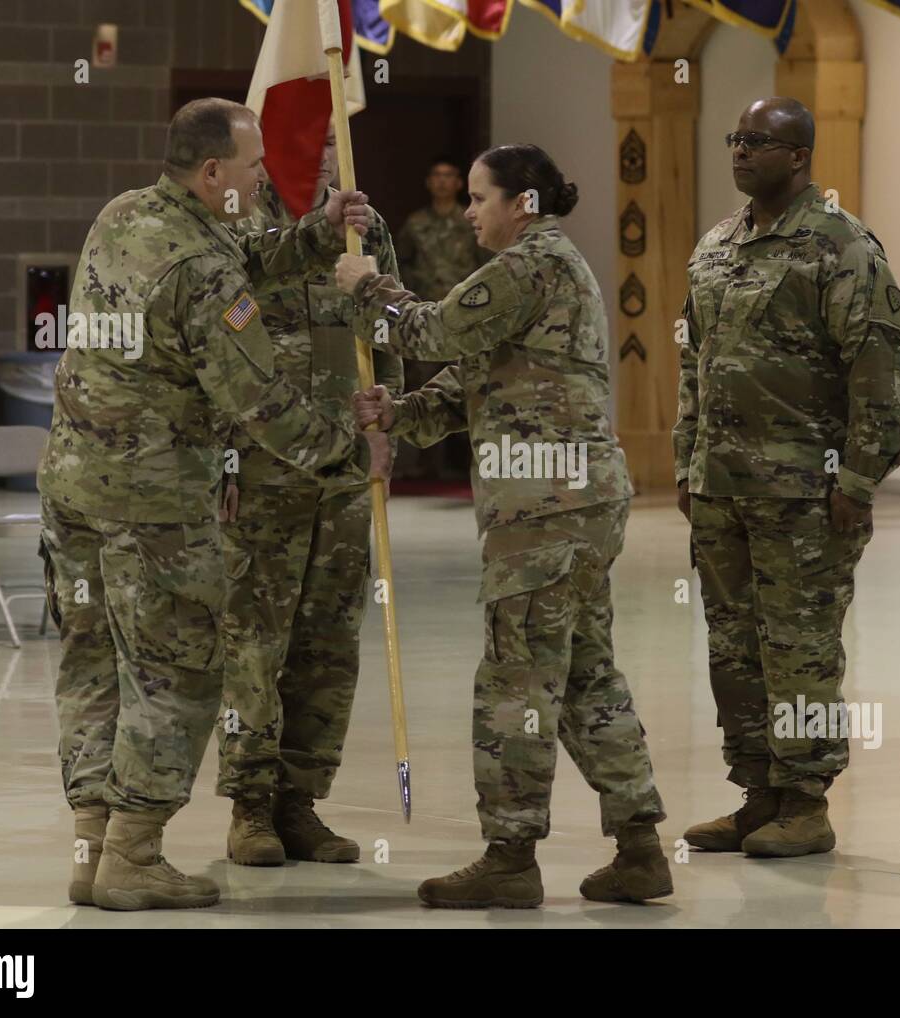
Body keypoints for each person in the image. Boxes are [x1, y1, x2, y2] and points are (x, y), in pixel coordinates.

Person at [38, 97, 389, 911]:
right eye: (253, 165)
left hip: (71, 486)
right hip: (150, 500)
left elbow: (233, 256)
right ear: (212, 173)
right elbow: (258, 399)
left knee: (92, 667)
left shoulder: (123, 216)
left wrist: (308, 233)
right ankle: (135, 852)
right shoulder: (203, 268)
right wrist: (348, 450)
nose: (265, 175)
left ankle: (92, 850)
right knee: (179, 674)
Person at [336, 143, 669, 908]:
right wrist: (400, 412)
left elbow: (430, 332)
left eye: (481, 197)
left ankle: (510, 856)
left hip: (546, 510)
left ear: (523, 203)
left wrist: (366, 289)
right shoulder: (533, 271)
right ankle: (641, 847)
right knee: (585, 680)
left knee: (515, 681)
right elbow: (469, 380)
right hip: (571, 504)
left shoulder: (534, 261)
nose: (470, 211)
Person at [675, 97, 900, 859]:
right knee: (733, 646)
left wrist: (860, 480)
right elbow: (694, 365)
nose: (740, 152)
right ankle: (758, 793)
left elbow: (878, 376)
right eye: (735, 137)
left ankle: (806, 801)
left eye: (758, 141)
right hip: (721, 488)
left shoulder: (841, 246)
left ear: (800, 156)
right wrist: (686, 463)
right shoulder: (716, 244)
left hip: (806, 493)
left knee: (800, 647)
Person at [214, 145, 403, 864]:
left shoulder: (366, 226)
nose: (324, 147)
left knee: (329, 640)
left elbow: (386, 324)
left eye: (334, 133)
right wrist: (221, 459)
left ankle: (300, 802)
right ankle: (251, 806)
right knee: (255, 641)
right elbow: (212, 349)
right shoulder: (236, 220)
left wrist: (391, 424)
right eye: (310, 134)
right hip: (263, 465)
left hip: (345, 462)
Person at [393, 157, 489, 481]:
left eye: (449, 176)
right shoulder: (416, 223)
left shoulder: (470, 221)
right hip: (426, 318)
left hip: (465, 318)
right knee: (424, 385)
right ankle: (426, 465)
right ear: (429, 182)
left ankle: (463, 464)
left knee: (467, 384)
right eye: (437, 175)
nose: (443, 181)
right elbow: (400, 263)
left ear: (459, 182)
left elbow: (485, 267)